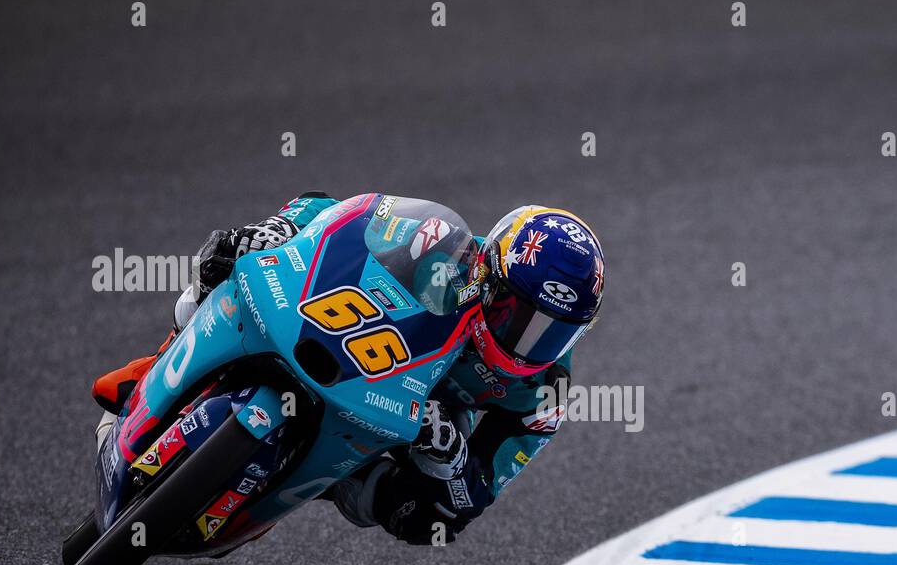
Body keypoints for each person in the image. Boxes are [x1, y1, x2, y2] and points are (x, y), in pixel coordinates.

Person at [91, 193, 605, 545]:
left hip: (406, 422)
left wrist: (449, 460)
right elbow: (338, 211)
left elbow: (473, 498)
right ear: (487, 272)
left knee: (428, 522)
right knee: (224, 265)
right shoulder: (442, 254)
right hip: (356, 339)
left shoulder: (544, 393)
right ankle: (159, 363)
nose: (525, 339)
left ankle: (307, 481)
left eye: (551, 330)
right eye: (516, 312)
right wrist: (272, 231)